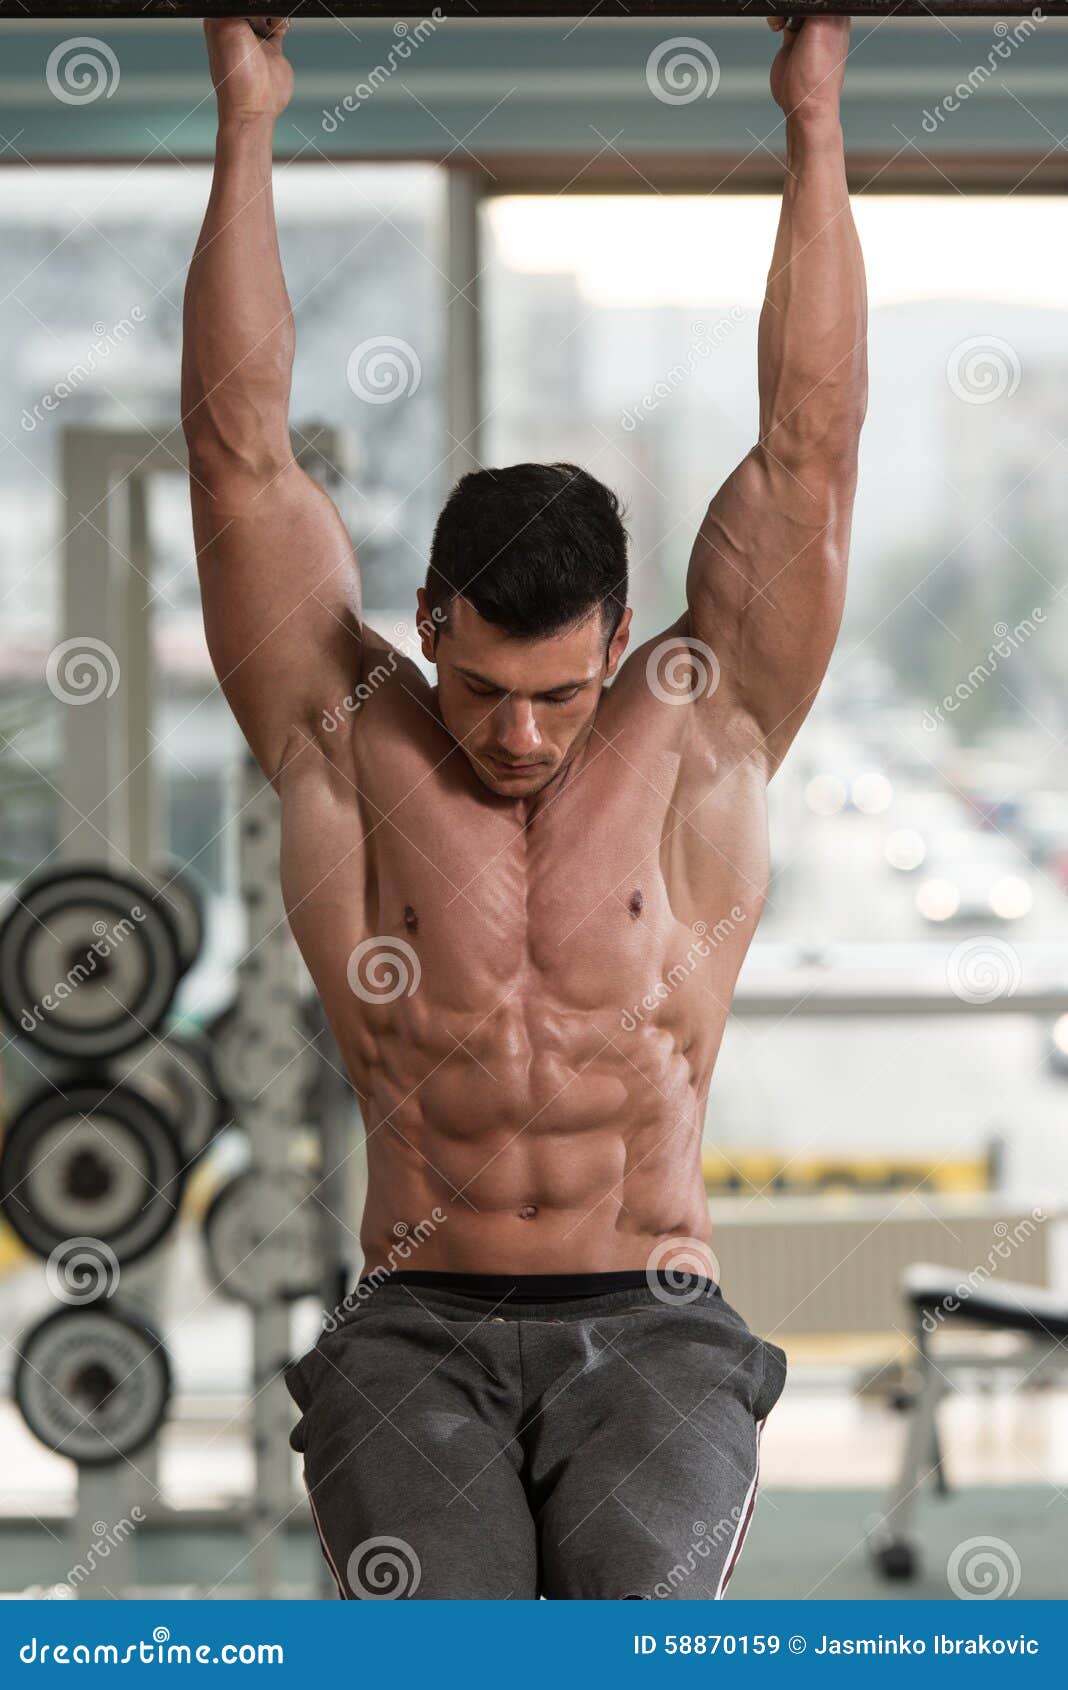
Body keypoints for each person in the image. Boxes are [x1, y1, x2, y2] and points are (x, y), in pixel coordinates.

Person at [182, 13, 866, 1600]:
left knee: (631, 1635)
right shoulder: (347, 735)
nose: (519, 730)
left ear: (622, 641)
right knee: (453, 1652)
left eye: (562, 692)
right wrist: (246, 120)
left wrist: (815, 116)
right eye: (485, 685)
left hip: (655, 1320)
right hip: (414, 1320)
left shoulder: (707, 732)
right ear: (428, 622)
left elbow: (810, 448)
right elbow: (237, 458)